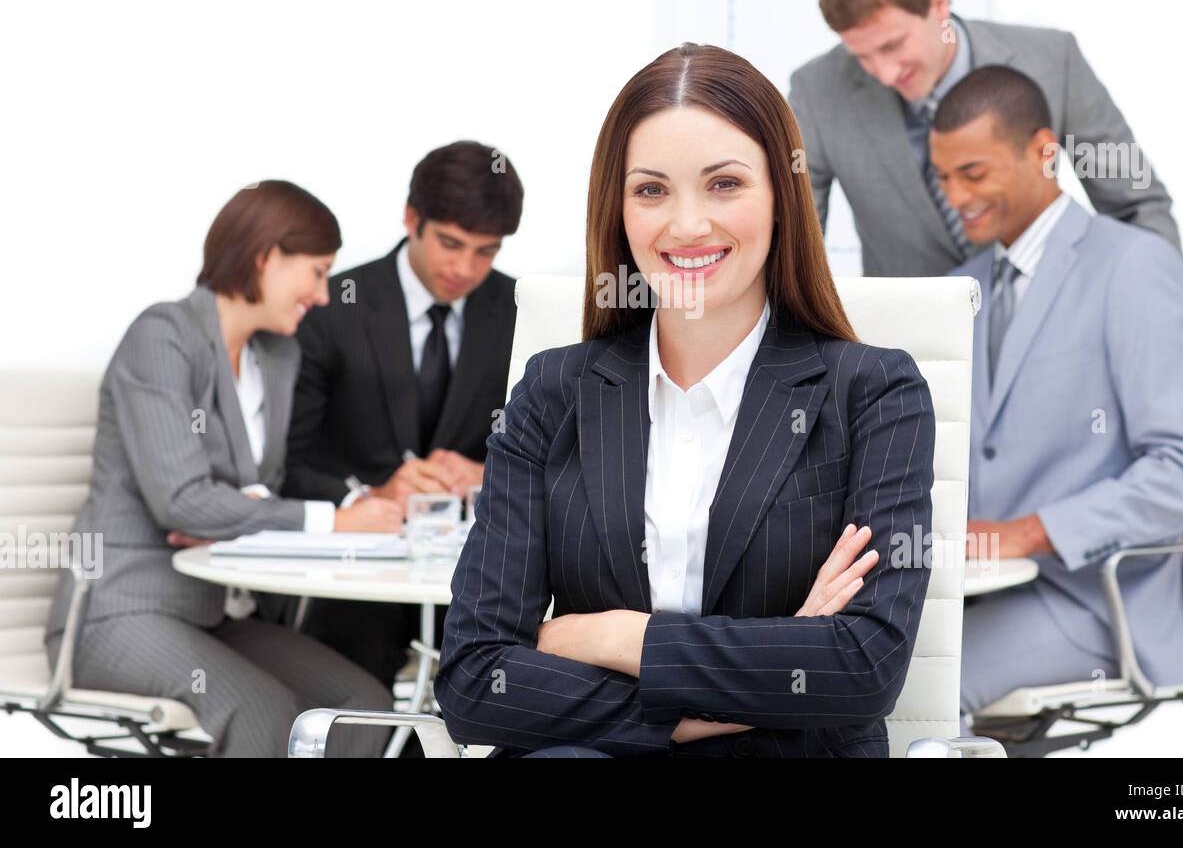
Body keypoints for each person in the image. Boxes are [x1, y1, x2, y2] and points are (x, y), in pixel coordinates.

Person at [433, 43, 936, 757]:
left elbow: (861, 667)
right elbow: (476, 681)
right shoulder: (554, 392)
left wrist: (605, 636)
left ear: (781, 196)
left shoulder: (875, 393)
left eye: (724, 184)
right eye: (651, 190)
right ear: (619, 208)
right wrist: (729, 685)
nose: (688, 225)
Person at [43, 181, 401, 758]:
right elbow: (182, 502)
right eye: (316, 271)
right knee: (262, 709)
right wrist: (332, 521)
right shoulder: (162, 338)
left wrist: (229, 510)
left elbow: (253, 493)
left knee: (359, 706)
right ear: (267, 256)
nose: (324, 294)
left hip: (219, 609)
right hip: (124, 613)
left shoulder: (278, 357)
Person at [925, 66, 1183, 732]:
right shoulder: (959, 287)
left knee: (913, 691)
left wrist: (1026, 534)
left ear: (1043, 151)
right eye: (942, 177)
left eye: (973, 173)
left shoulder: (1133, 267)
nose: (955, 197)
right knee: (829, 669)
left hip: (1090, 602)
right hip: (967, 591)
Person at [788, 0, 1181, 277]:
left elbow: (1136, 202)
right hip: (909, 349)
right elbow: (792, 244)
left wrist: (1158, 322)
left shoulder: (1053, 61)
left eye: (893, 45)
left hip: (1048, 328)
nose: (885, 73)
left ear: (938, 2)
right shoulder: (818, 91)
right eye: (862, 56)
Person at [283, 141, 523, 691]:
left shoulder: (517, 313)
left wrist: (487, 477)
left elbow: (559, 456)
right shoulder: (330, 307)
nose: (465, 268)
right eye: (450, 244)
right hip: (348, 579)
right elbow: (283, 471)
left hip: (468, 580)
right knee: (354, 690)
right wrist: (372, 492)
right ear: (412, 217)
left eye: (486, 251)